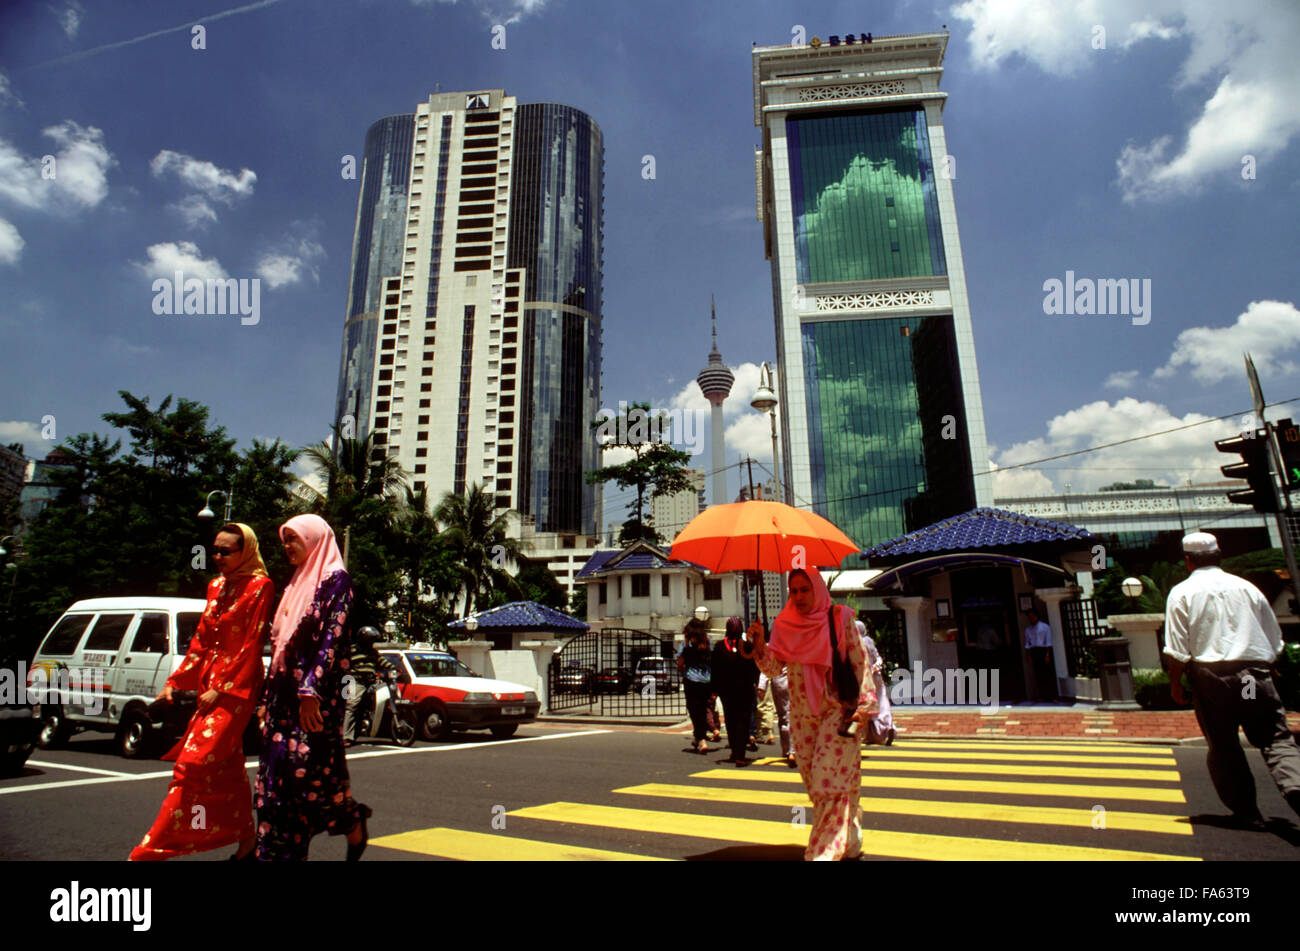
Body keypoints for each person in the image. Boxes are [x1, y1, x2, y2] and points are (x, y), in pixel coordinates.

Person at [130, 523, 274, 861]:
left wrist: (224, 689)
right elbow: (201, 641)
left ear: (246, 551)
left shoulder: (260, 586)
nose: (218, 556)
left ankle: (153, 849)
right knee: (226, 765)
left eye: (227, 551)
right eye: (216, 550)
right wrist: (175, 682)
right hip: (208, 684)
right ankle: (246, 838)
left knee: (193, 761)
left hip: (236, 690)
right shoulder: (215, 586)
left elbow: (253, 643)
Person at [1164, 531, 1300, 829]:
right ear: (1219, 555)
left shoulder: (1182, 592)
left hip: (1212, 678)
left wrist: (1175, 684)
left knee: (1224, 745)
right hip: (1254, 676)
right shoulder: (1247, 588)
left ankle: (1247, 813)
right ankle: (1295, 786)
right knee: (1276, 739)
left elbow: (1177, 649)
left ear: (1188, 561)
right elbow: (1274, 639)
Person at [255, 514, 371, 861]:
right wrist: (266, 698)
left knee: (312, 781)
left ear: (314, 540)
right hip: (282, 699)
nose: (288, 546)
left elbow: (329, 642)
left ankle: (351, 820)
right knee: (275, 785)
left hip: (315, 700)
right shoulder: (295, 584)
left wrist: (310, 692)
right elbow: (279, 648)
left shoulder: (338, 582)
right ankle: (280, 853)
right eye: (285, 540)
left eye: (295, 539)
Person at [751, 568, 876, 860]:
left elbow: (860, 661)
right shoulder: (784, 624)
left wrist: (865, 706)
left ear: (817, 589)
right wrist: (759, 644)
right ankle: (850, 838)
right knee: (820, 786)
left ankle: (823, 851)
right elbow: (773, 669)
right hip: (801, 717)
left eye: (804, 590)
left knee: (827, 781)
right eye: (793, 591)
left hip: (836, 711)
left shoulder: (839, 617)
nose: (798, 596)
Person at [712, 617, 760, 765]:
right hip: (744, 690)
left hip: (727, 691)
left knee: (731, 720)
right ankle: (740, 754)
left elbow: (714, 669)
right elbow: (755, 668)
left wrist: (714, 690)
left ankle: (734, 751)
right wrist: (756, 684)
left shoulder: (720, 646)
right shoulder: (747, 646)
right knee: (743, 721)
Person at [343, 625, 397, 745]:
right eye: (369, 640)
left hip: (370, 682)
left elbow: (382, 662)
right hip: (355, 681)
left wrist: (394, 667)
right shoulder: (351, 650)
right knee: (352, 706)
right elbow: (344, 665)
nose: (371, 643)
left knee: (366, 707)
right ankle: (346, 736)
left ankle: (358, 732)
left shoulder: (373, 652)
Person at [676, 619, 713, 753]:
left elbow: (680, 662)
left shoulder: (687, 643)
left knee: (693, 709)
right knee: (702, 709)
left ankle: (701, 739)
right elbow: (712, 661)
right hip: (706, 680)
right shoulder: (708, 641)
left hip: (691, 679)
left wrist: (682, 671)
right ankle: (697, 738)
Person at [856, 620, 896, 745]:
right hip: (876, 677)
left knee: (866, 707)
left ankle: (870, 734)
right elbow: (878, 658)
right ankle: (888, 726)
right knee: (883, 703)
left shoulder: (855, 642)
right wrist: (875, 668)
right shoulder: (869, 641)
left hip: (864, 679)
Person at [1023, 608, 1058, 703]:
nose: (1031, 618)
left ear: (1037, 616)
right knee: (1038, 675)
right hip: (1035, 651)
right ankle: (1042, 696)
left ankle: (1052, 696)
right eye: (1029, 617)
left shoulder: (1044, 627)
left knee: (1048, 674)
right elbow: (1027, 644)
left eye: (1033, 616)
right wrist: (1028, 656)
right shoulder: (1028, 629)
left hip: (1043, 651)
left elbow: (1048, 642)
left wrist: (1047, 655)